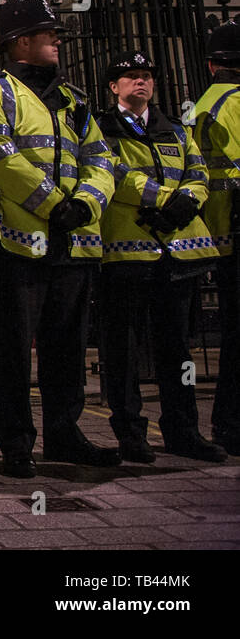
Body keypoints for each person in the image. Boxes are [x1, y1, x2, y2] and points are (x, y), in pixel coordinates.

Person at [0, 0, 119, 477]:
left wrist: (86, 204)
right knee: (14, 349)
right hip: (20, 241)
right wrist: (56, 205)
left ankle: (64, 434)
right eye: (49, 34)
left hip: (74, 243)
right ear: (21, 41)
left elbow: (102, 158)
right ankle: (16, 440)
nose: (57, 41)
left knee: (67, 348)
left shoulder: (73, 98)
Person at [95, 50, 225, 463]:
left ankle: (183, 430)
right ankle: (131, 433)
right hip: (127, 255)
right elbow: (113, 172)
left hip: (179, 255)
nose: (141, 82)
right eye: (131, 76)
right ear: (114, 86)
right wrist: (168, 199)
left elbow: (199, 170)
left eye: (146, 75)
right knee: (124, 350)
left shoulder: (176, 129)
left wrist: (188, 200)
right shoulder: (101, 129)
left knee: (177, 351)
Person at [192, 20, 240, 456]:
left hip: (215, 232)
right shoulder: (236, 102)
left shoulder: (200, 105)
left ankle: (228, 423)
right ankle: (231, 424)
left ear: (211, 65)